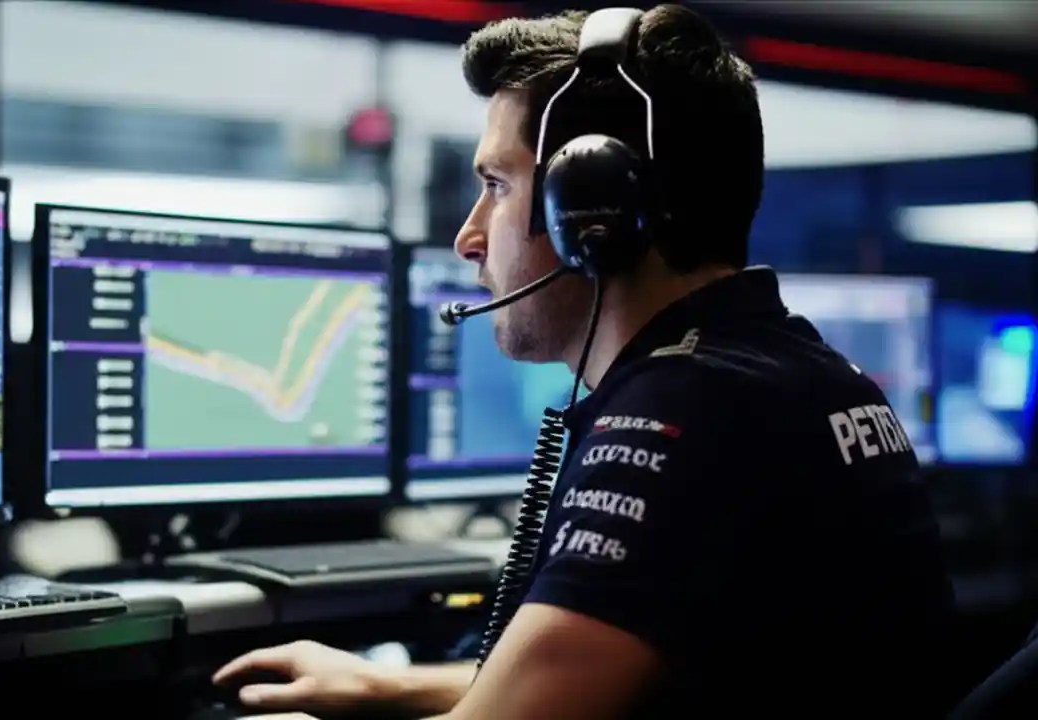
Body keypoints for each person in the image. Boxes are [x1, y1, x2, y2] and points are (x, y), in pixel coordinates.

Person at [213, 5, 957, 718]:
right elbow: (635, 670)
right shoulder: (796, 368)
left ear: (591, 213)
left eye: (497, 185)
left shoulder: (682, 410)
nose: (469, 238)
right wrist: (386, 687)